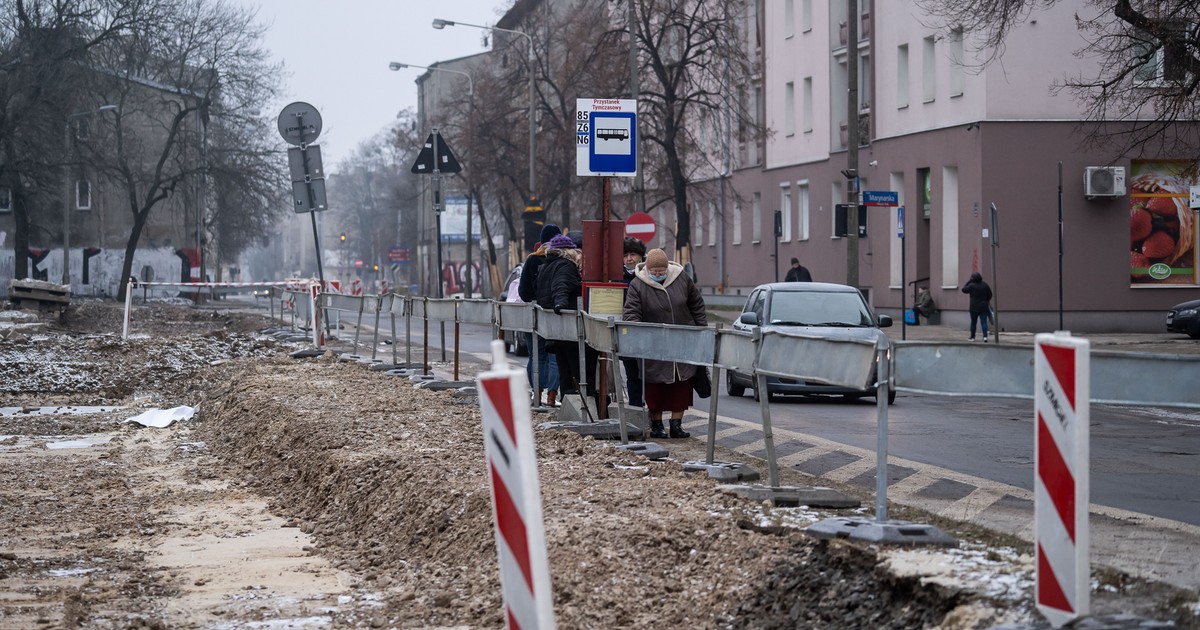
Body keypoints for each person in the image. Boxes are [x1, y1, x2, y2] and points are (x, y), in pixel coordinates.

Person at [623, 248, 707, 439]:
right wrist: (638, 333)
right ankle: (657, 425)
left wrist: (701, 329)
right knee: (655, 387)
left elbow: (696, 304)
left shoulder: (681, 279)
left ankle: (676, 425)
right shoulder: (638, 284)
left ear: (668, 267)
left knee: (681, 384)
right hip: (652, 345)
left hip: (682, 342)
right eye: (655, 271)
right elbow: (631, 312)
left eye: (662, 270)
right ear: (648, 269)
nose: (659, 274)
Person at [535, 234, 594, 401]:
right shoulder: (565, 266)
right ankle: (578, 404)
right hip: (569, 325)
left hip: (555, 327)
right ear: (569, 251)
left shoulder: (547, 265)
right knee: (576, 368)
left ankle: (568, 403)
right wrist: (560, 304)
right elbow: (561, 285)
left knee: (564, 368)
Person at [517, 224, 561, 406]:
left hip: (534, 315)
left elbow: (523, 292)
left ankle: (537, 394)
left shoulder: (532, 260)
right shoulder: (563, 260)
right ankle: (552, 396)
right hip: (556, 315)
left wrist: (534, 298)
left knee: (536, 355)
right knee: (554, 356)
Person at [619, 237, 647, 407]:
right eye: (625, 255)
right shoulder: (617, 278)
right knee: (632, 374)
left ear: (640, 257)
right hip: (627, 332)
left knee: (650, 374)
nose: (629, 259)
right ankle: (636, 407)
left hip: (647, 332)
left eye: (633, 254)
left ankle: (653, 413)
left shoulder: (648, 276)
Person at [961, 272, 994, 341]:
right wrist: (986, 300)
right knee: (984, 322)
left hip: (974, 307)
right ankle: (985, 337)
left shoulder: (971, 286)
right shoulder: (985, 285)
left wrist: (969, 281)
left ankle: (972, 337)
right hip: (983, 307)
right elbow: (990, 294)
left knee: (973, 322)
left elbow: (963, 289)